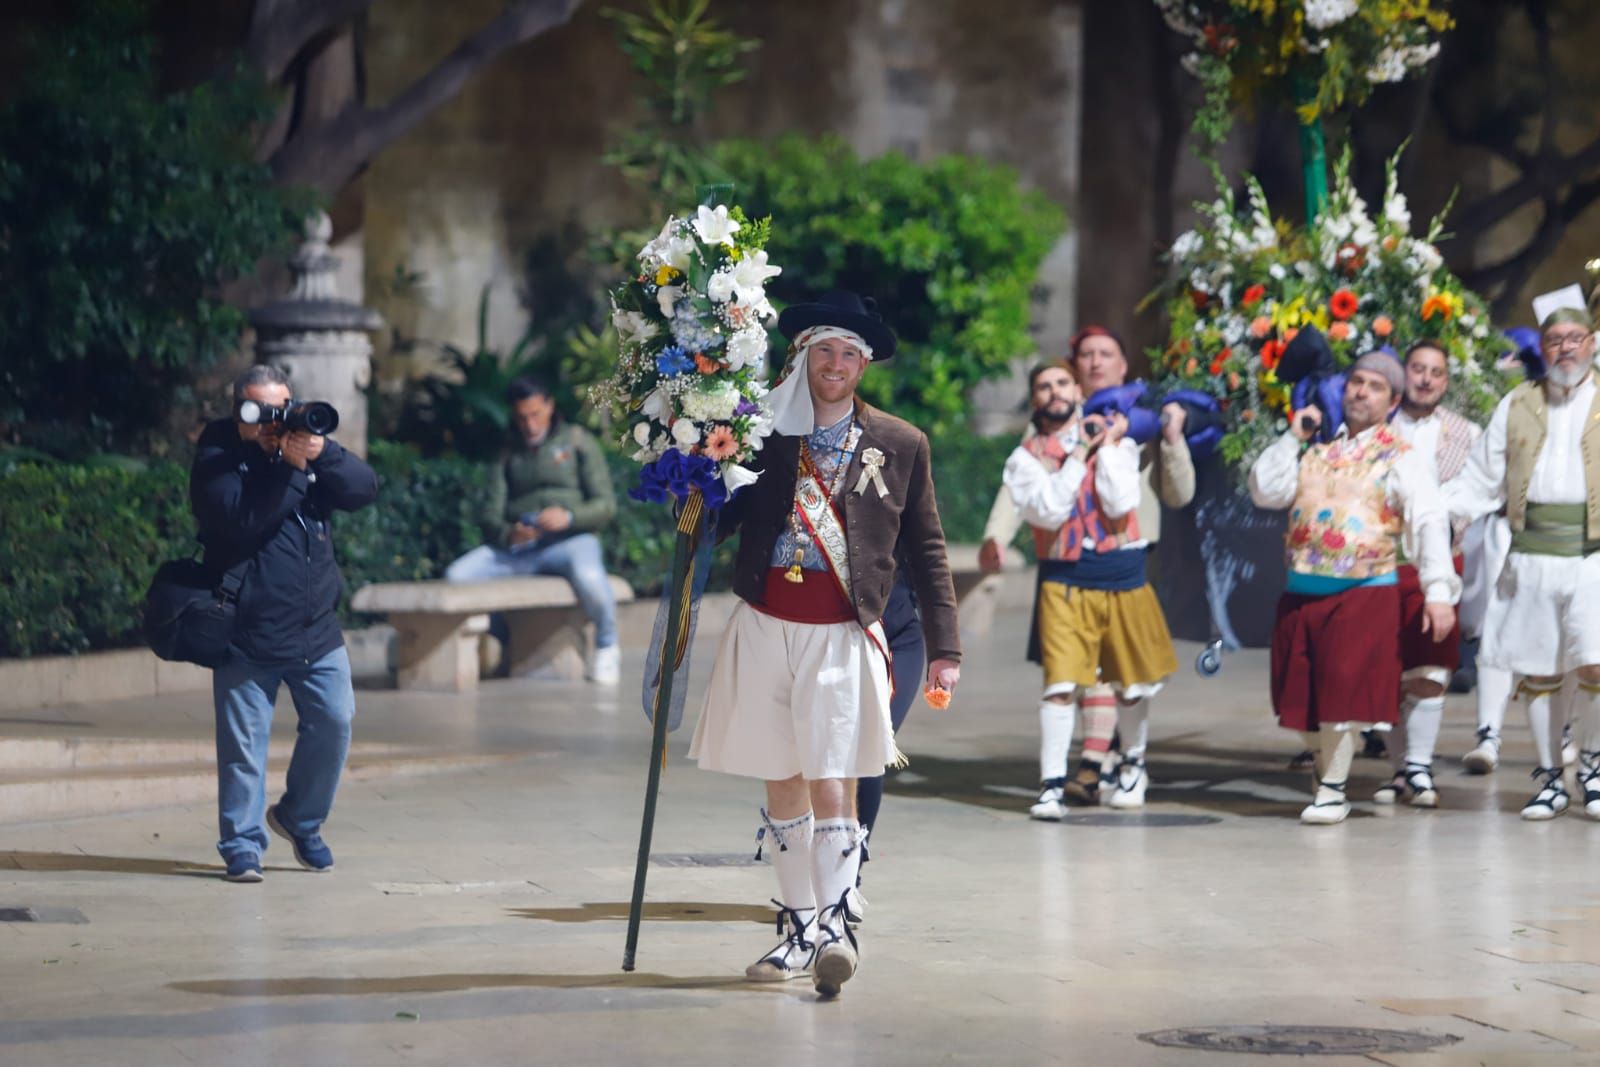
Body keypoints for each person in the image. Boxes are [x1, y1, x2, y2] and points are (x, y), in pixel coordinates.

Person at [688, 290, 961, 997]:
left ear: (864, 365)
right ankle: (799, 924)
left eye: (848, 354)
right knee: (780, 774)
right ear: (803, 356)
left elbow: (929, 549)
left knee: (833, 770)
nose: (834, 365)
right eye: (823, 351)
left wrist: (946, 646)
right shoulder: (758, 432)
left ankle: (839, 924)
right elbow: (714, 520)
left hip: (841, 630)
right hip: (767, 620)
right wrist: (691, 473)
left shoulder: (900, 443)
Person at [981, 326, 1194, 808]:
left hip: (1128, 557)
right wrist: (996, 534)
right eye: (1086, 356)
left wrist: (1158, 437)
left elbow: (1171, 491)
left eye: (1106, 355)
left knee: (1127, 675)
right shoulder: (1035, 443)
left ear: (1122, 365)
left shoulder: (1137, 421)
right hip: (1067, 567)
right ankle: (1082, 769)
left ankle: (1114, 762)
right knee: (1070, 674)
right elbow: (1021, 493)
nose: (1095, 363)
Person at [1249, 351, 1459, 825]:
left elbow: (1429, 520)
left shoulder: (1401, 456)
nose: (1361, 392)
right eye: (1355, 383)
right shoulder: (1316, 450)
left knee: (1344, 692)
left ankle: (1333, 787)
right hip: (1302, 589)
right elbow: (1265, 490)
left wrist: (1438, 590)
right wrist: (1292, 436)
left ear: (1392, 401)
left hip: (1364, 589)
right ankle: (1329, 774)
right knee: (1295, 696)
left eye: (1374, 386)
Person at [190, 365, 378, 882]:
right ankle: (242, 845)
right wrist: (288, 468)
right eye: (259, 411)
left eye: (281, 408)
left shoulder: (307, 449)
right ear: (238, 413)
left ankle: (300, 819)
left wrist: (323, 454)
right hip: (245, 630)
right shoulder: (219, 457)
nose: (273, 421)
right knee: (243, 748)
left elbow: (365, 490)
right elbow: (240, 520)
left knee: (335, 723)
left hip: (316, 630)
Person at [1444, 305, 1600, 819]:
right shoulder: (1517, 403)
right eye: (1555, 340)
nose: (1566, 348)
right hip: (1532, 554)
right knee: (1540, 670)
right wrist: (1442, 517)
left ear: (1592, 343)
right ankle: (1550, 777)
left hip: (1594, 555)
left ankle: (1594, 766)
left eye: (1576, 337)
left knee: (1597, 664)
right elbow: (1480, 479)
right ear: (1543, 348)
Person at [444, 377, 620, 683]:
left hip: (571, 540)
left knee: (590, 577)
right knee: (457, 576)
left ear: (550, 406)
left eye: (536, 414)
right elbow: (489, 515)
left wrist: (569, 516)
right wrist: (508, 534)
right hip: (520, 549)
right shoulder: (506, 452)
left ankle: (607, 645)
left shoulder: (578, 441)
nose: (529, 423)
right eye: (522, 416)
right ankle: (505, 636)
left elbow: (606, 505)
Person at [1373, 340, 1481, 807]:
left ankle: (1419, 766)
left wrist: (1436, 511)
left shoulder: (1465, 433)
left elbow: (1480, 490)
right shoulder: (1377, 427)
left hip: (1440, 559)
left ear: (1446, 381)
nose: (1425, 379)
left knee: (1432, 663)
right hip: (1381, 562)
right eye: (1418, 369)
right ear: (1405, 375)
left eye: (1435, 372)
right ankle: (1399, 769)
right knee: (1389, 669)